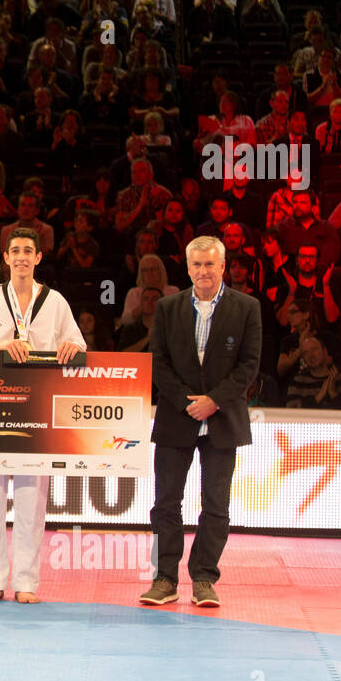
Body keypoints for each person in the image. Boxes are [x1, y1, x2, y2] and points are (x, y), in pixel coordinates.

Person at [0, 226, 85, 603]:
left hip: (37, 412)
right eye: (15, 251)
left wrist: (70, 346)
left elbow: (78, 344)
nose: (21, 257)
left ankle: (27, 581)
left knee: (32, 502)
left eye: (28, 251)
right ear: (5, 257)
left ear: (39, 257)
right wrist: (0, 344)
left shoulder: (56, 301)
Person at [141, 236, 261, 608]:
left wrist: (214, 401)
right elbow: (158, 362)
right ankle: (164, 578)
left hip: (223, 419)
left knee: (216, 505)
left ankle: (205, 577)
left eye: (210, 264)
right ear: (188, 268)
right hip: (178, 417)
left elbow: (249, 365)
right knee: (165, 502)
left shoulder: (247, 307)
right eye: (197, 265)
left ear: (223, 266)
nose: (203, 271)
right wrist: (186, 402)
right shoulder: (168, 307)